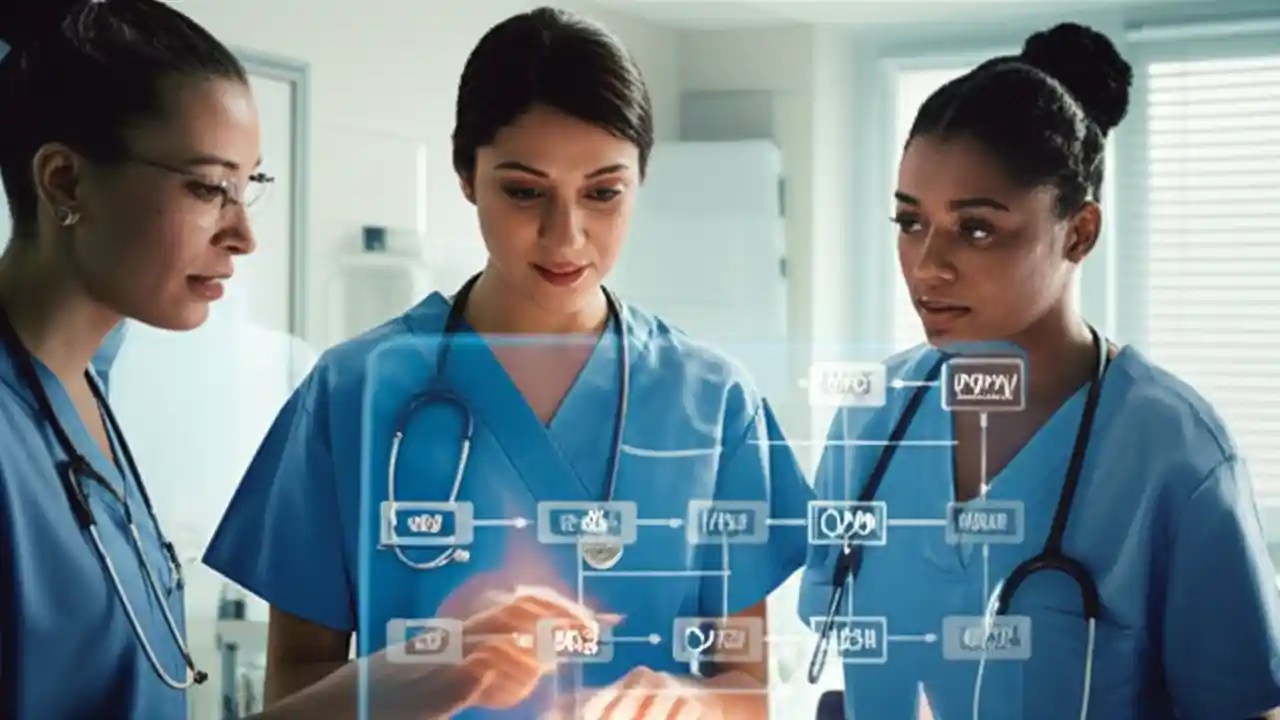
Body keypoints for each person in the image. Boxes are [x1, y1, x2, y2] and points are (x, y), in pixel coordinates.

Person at [203, 6, 814, 720]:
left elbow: (745, 687)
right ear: (467, 174)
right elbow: (296, 682)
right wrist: (418, 679)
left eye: (603, 193)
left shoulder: (712, 402)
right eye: (524, 191)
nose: (566, 236)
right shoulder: (355, 391)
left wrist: (686, 702)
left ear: (641, 180)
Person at [0, 1, 600, 718]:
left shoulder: (81, 391)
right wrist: (393, 688)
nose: (243, 234)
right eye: (206, 187)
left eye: (248, 184)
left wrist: (414, 674)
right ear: (64, 181)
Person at [799, 22, 1280, 720]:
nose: (927, 264)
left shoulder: (1173, 454)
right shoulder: (870, 424)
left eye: (977, 228)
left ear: (1078, 232)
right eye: (910, 223)